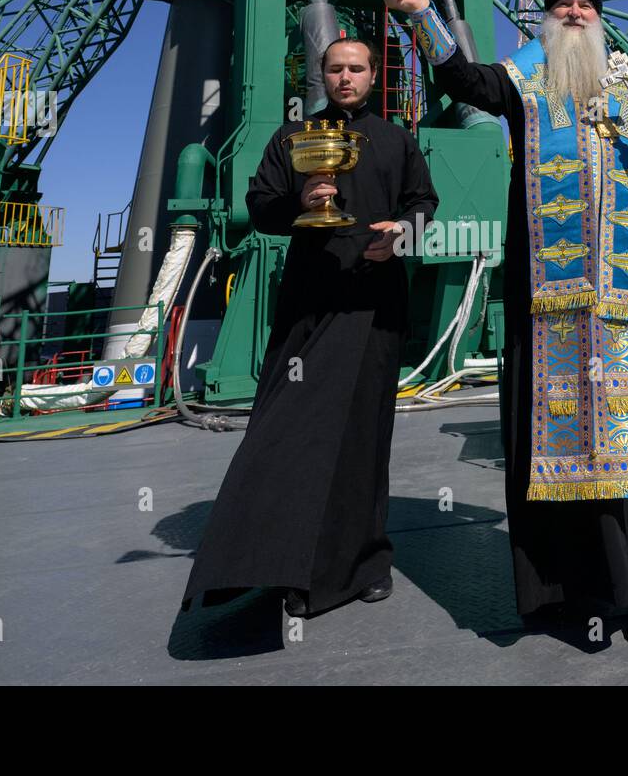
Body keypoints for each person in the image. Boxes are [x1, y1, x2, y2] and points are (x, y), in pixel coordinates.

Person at [375, 0, 628, 644]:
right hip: (545, 302)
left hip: (624, 307)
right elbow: (461, 78)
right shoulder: (522, 85)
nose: (574, 12)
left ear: (600, 23)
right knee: (547, 448)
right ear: (547, 23)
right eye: (563, 5)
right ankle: (557, 594)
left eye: (584, 5)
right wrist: (420, 11)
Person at [181, 38, 438, 619]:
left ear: (374, 75)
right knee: (293, 427)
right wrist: (302, 196)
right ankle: (285, 562)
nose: (346, 77)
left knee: (365, 436)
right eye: (335, 69)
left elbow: (425, 203)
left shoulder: (398, 141)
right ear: (321, 75)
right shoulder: (293, 137)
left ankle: (368, 562)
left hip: (375, 304)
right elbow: (259, 203)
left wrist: (400, 233)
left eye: (357, 68)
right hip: (310, 302)